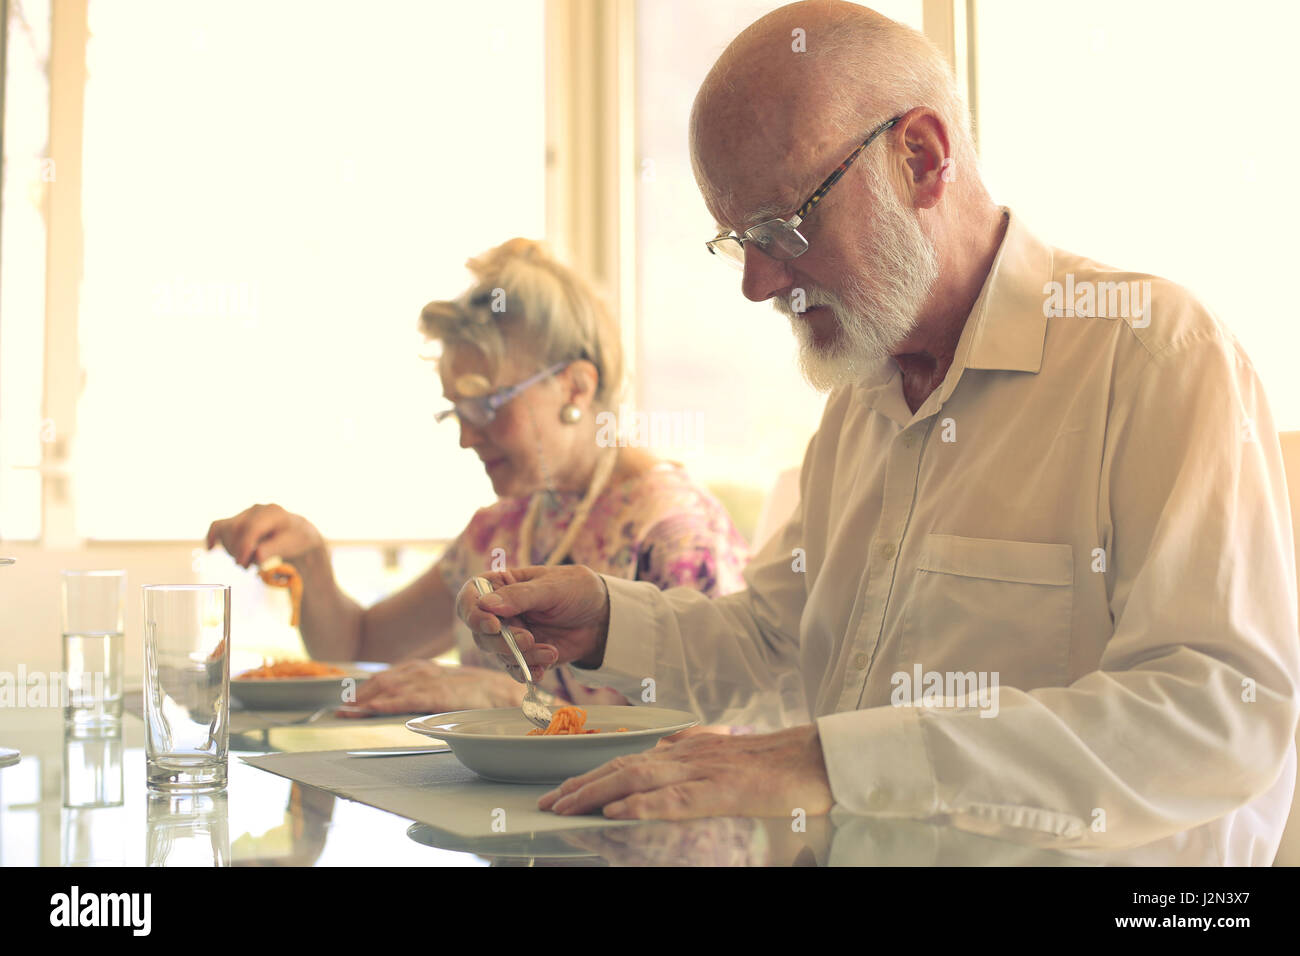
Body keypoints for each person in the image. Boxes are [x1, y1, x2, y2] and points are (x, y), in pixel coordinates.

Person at [456, 1, 1300, 864]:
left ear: (921, 159)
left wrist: (839, 762)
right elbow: (777, 643)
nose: (755, 285)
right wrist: (604, 618)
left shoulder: (1151, 356)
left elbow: (1221, 715)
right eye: (738, 239)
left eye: (783, 227)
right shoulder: (861, 399)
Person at [205, 237, 778, 723]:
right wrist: (312, 560)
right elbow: (362, 648)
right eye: (456, 410)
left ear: (576, 388)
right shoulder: (505, 526)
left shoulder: (673, 530)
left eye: (485, 405)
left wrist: (508, 700)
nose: (466, 437)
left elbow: (708, 744)